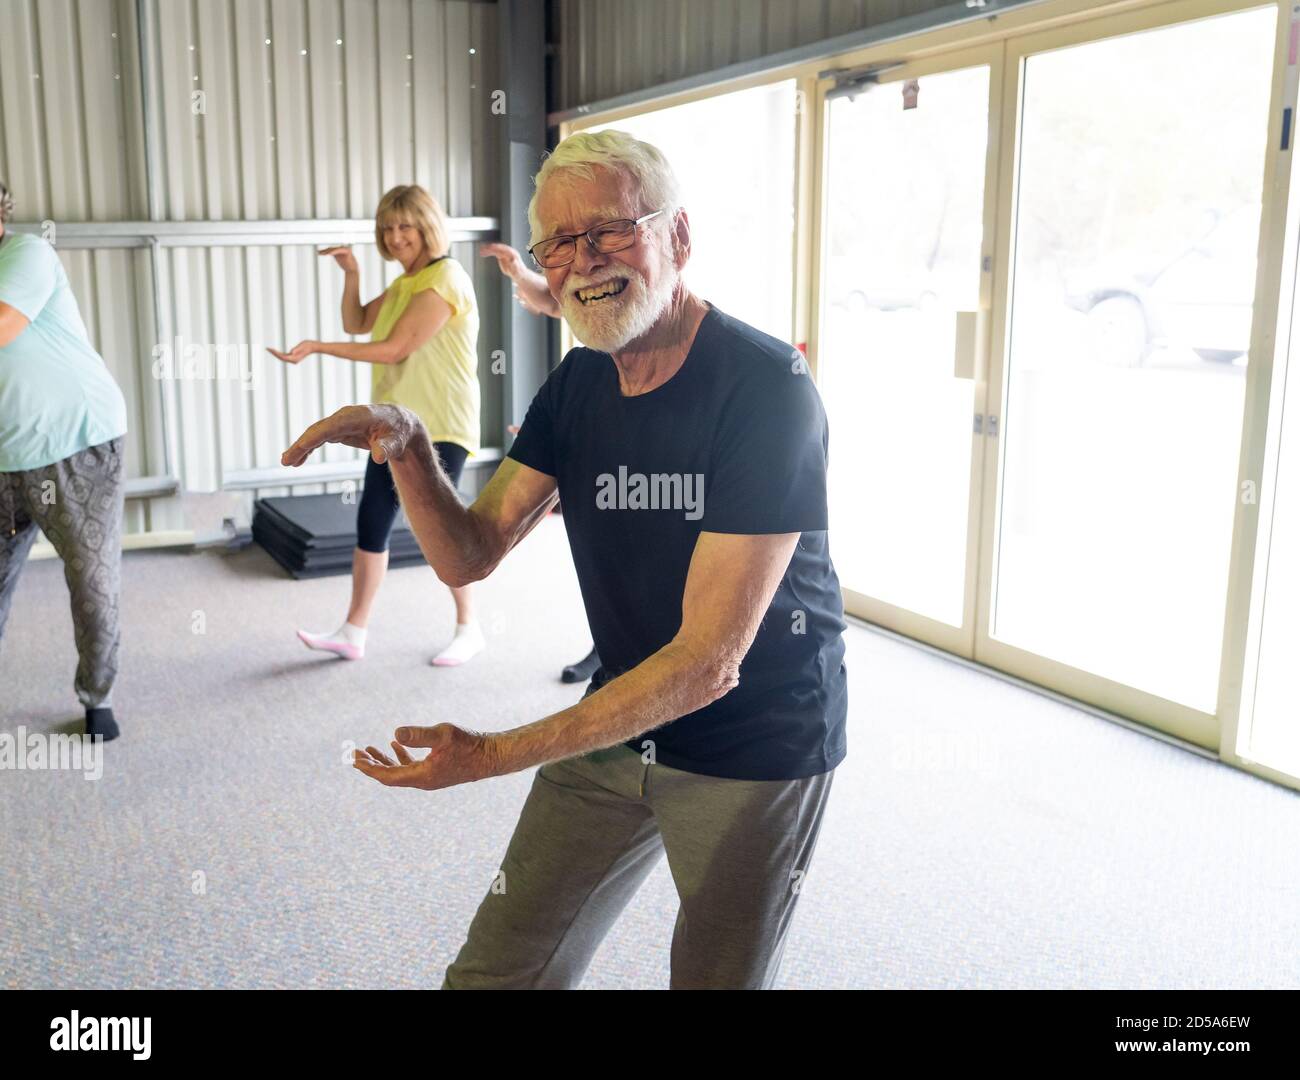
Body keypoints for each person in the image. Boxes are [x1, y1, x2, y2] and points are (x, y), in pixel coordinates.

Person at [282, 131, 848, 989]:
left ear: (678, 238)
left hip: (758, 740)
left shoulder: (766, 388)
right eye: (558, 243)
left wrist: (494, 753)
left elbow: (707, 665)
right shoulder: (581, 382)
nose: (582, 262)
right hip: (618, 715)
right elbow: (469, 556)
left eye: (610, 231)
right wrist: (405, 448)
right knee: (498, 969)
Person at [271, 184, 484, 667]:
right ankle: (354, 631)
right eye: (388, 227)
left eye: (405, 225)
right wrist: (352, 274)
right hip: (393, 423)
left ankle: (470, 628)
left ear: (427, 227)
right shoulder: (407, 281)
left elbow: (393, 349)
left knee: (443, 533)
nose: (395, 236)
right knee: (373, 517)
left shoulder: (444, 277)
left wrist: (317, 347)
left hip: (440, 423)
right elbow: (358, 322)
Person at [0, 180, 128, 739]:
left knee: (92, 585)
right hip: (6, 456)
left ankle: (96, 695)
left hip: (78, 444)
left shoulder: (26, 253)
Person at [481, 241, 600, 684]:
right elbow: (553, 301)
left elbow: (552, 302)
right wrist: (518, 274)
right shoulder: (586, 339)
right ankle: (606, 646)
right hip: (590, 423)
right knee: (599, 552)